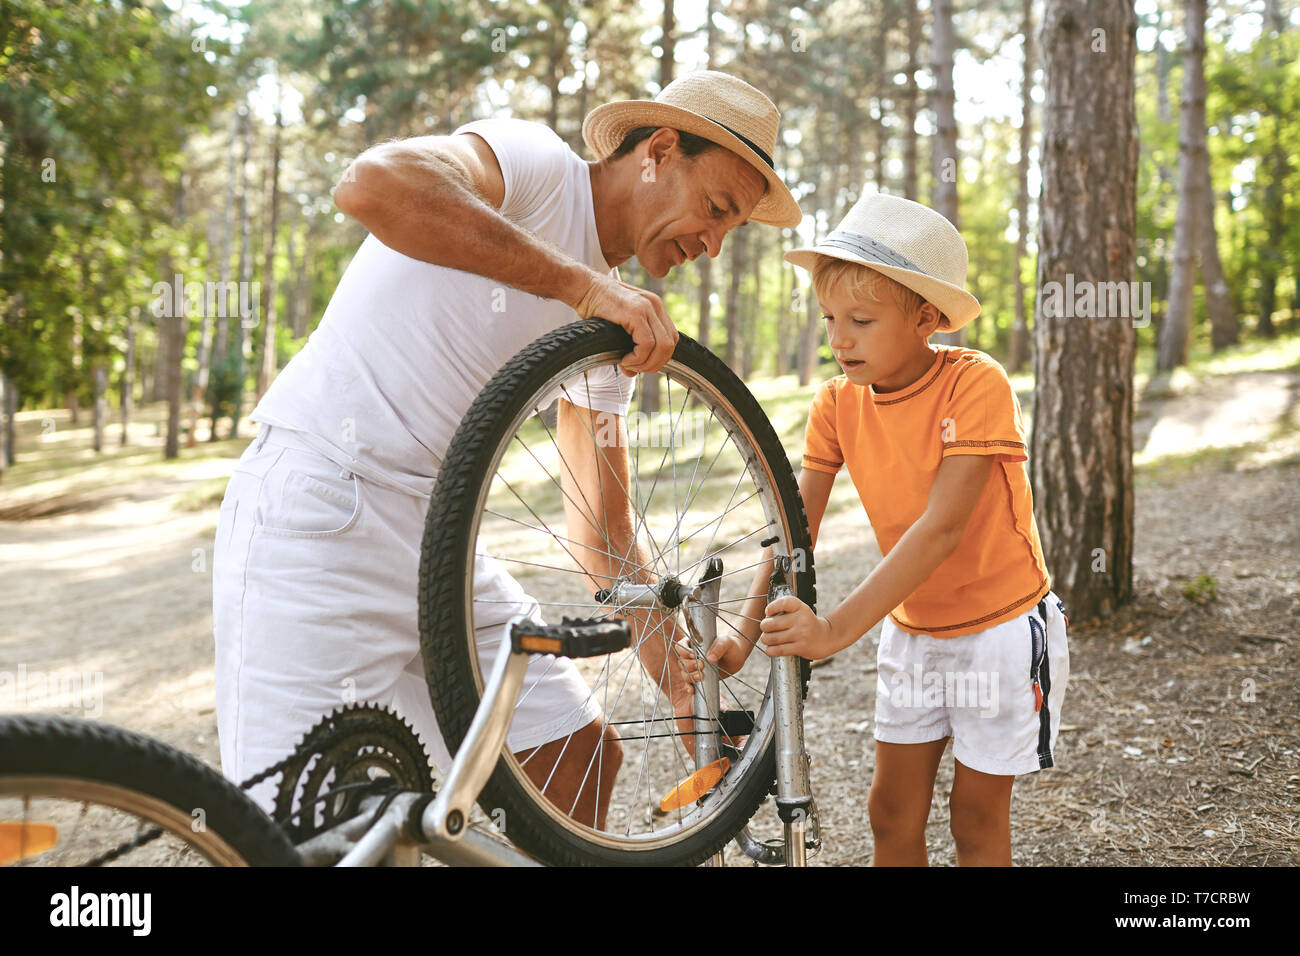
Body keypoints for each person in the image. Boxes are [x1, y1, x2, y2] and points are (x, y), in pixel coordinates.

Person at [211, 70, 802, 826]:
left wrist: (682, 688)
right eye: (716, 209)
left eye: (732, 231)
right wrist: (581, 287)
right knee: (302, 828)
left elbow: (605, 537)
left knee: (575, 751)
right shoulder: (535, 164)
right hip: (322, 508)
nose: (714, 245)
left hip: (441, 546)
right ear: (657, 150)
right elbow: (372, 185)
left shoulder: (611, 330)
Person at [686, 191, 1070, 865]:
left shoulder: (976, 385)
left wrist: (834, 631)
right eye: (831, 318)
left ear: (925, 317)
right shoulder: (835, 404)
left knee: (975, 819)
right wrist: (745, 637)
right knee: (889, 814)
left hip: (1000, 631)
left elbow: (941, 530)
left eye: (861, 320)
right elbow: (792, 529)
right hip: (915, 632)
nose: (838, 338)